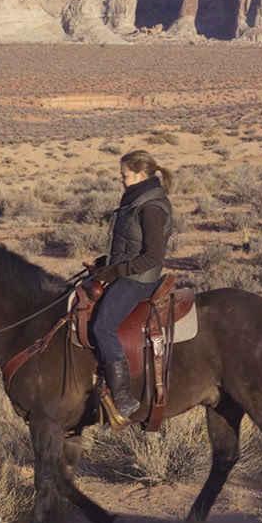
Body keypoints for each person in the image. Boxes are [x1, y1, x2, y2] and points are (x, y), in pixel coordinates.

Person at [87, 150, 173, 422]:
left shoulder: (150, 207)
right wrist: (104, 264)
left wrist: (114, 271)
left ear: (140, 175)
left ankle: (123, 396)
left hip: (139, 281)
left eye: (124, 175)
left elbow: (153, 257)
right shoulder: (135, 201)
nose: (121, 180)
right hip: (128, 274)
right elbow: (129, 246)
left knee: (103, 325)